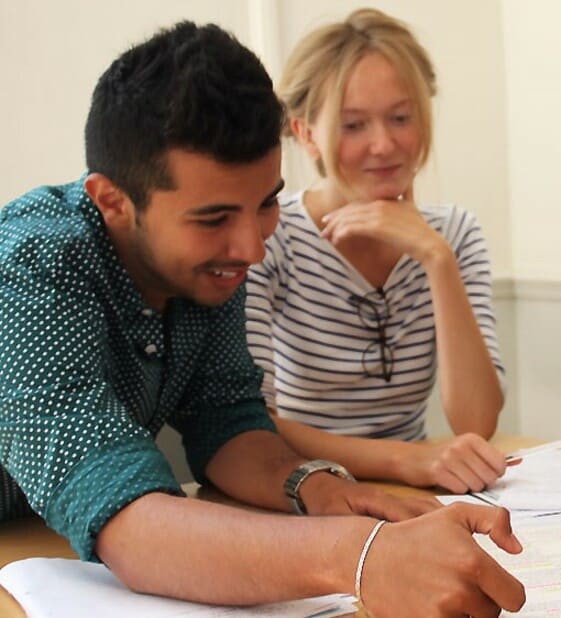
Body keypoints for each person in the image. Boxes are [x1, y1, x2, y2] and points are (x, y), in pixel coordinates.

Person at [0, 22, 524, 616]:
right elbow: (129, 525)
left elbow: (230, 425)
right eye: (214, 218)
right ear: (113, 201)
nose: (251, 247)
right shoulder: (30, 265)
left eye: (267, 202)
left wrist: (322, 490)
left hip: (38, 541)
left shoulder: (210, 265)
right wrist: (360, 555)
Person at [244, 7, 508, 494]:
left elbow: (476, 420)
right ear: (306, 134)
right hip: (309, 489)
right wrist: (407, 460)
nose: (384, 145)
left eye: (401, 118)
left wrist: (436, 258)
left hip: (419, 492)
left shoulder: (454, 232)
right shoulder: (270, 235)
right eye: (353, 125)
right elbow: (254, 423)